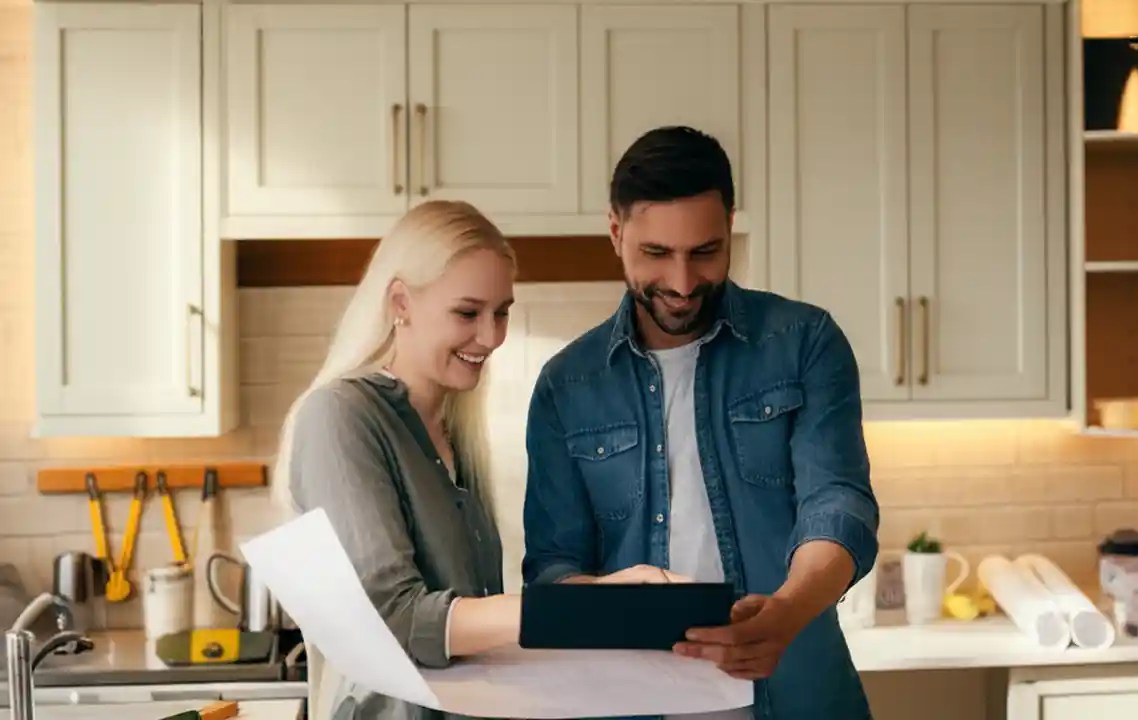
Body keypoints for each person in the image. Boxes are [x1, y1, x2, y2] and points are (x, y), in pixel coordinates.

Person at [521, 126, 880, 719]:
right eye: (656, 254)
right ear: (616, 233)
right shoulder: (567, 385)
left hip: (798, 696)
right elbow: (554, 565)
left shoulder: (804, 342)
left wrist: (788, 610)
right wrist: (609, 600)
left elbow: (838, 503)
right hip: (630, 704)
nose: (683, 285)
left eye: (705, 252)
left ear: (730, 225)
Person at [272, 200, 681, 720]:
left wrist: (603, 606)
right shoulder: (342, 416)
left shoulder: (452, 434)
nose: (490, 337)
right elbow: (392, 618)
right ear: (401, 302)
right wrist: (585, 608)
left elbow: (469, 629)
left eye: (502, 311)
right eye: (468, 313)